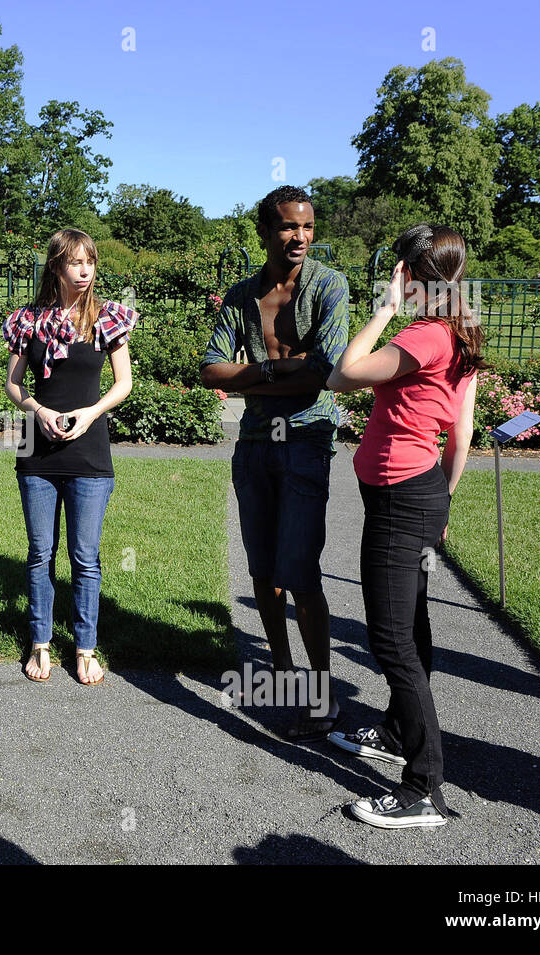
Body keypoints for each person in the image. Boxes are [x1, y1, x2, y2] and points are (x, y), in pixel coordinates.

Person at [325, 224, 483, 829]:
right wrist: (442, 499)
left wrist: (384, 311)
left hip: (398, 499)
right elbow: (460, 429)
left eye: (399, 272)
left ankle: (423, 789)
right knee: (410, 626)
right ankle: (394, 730)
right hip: (418, 495)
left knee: (390, 639)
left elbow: (345, 373)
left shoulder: (426, 334)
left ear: (411, 275)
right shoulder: (463, 331)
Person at [199, 186, 349, 739]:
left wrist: (256, 376)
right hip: (255, 444)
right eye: (288, 227)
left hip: (308, 439)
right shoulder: (241, 297)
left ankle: (321, 690)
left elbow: (324, 374)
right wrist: (271, 372)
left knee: (301, 571)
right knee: (263, 570)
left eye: (307, 228)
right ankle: (283, 675)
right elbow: (210, 370)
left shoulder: (331, 285)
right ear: (265, 232)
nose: (300, 238)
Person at [2, 228, 135, 686]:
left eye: (90, 262)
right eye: (75, 262)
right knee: (40, 553)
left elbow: (123, 383)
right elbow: (13, 385)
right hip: (37, 451)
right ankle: (40, 642)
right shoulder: (28, 320)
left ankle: (84, 647)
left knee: (86, 556)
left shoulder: (106, 318)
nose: (85, 270)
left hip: (89, 454)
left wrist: (91, 411)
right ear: (56, 267)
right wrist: (36, 410)